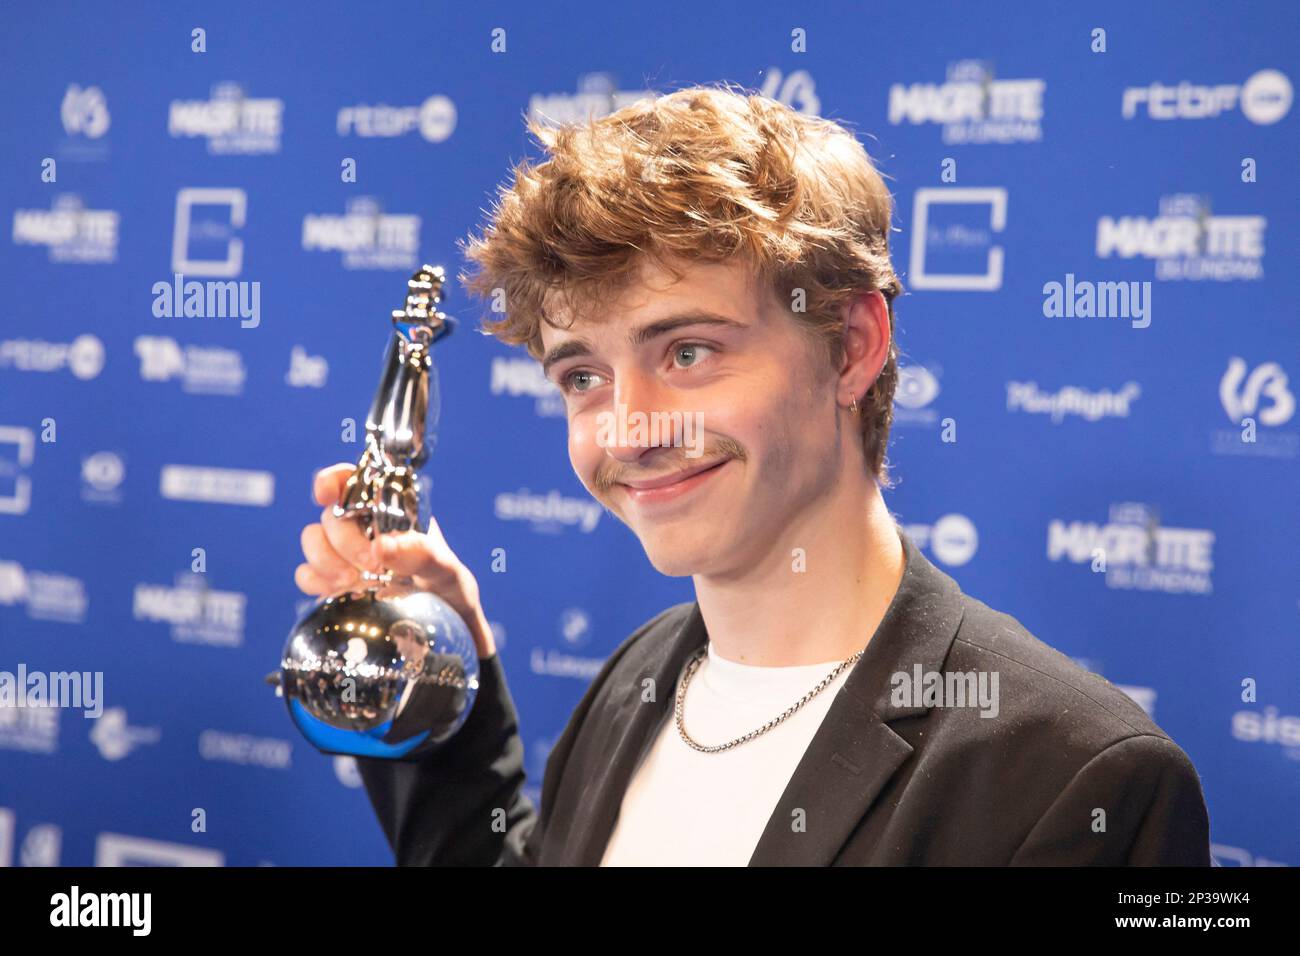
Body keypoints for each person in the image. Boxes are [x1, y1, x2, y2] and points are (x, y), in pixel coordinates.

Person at [295, 83, 1212, 866]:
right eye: (582, 375)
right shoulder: (641, 678)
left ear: (850, 348)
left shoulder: (1078, 777)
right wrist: (443, 664)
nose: (631, 427)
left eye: (689, 351)